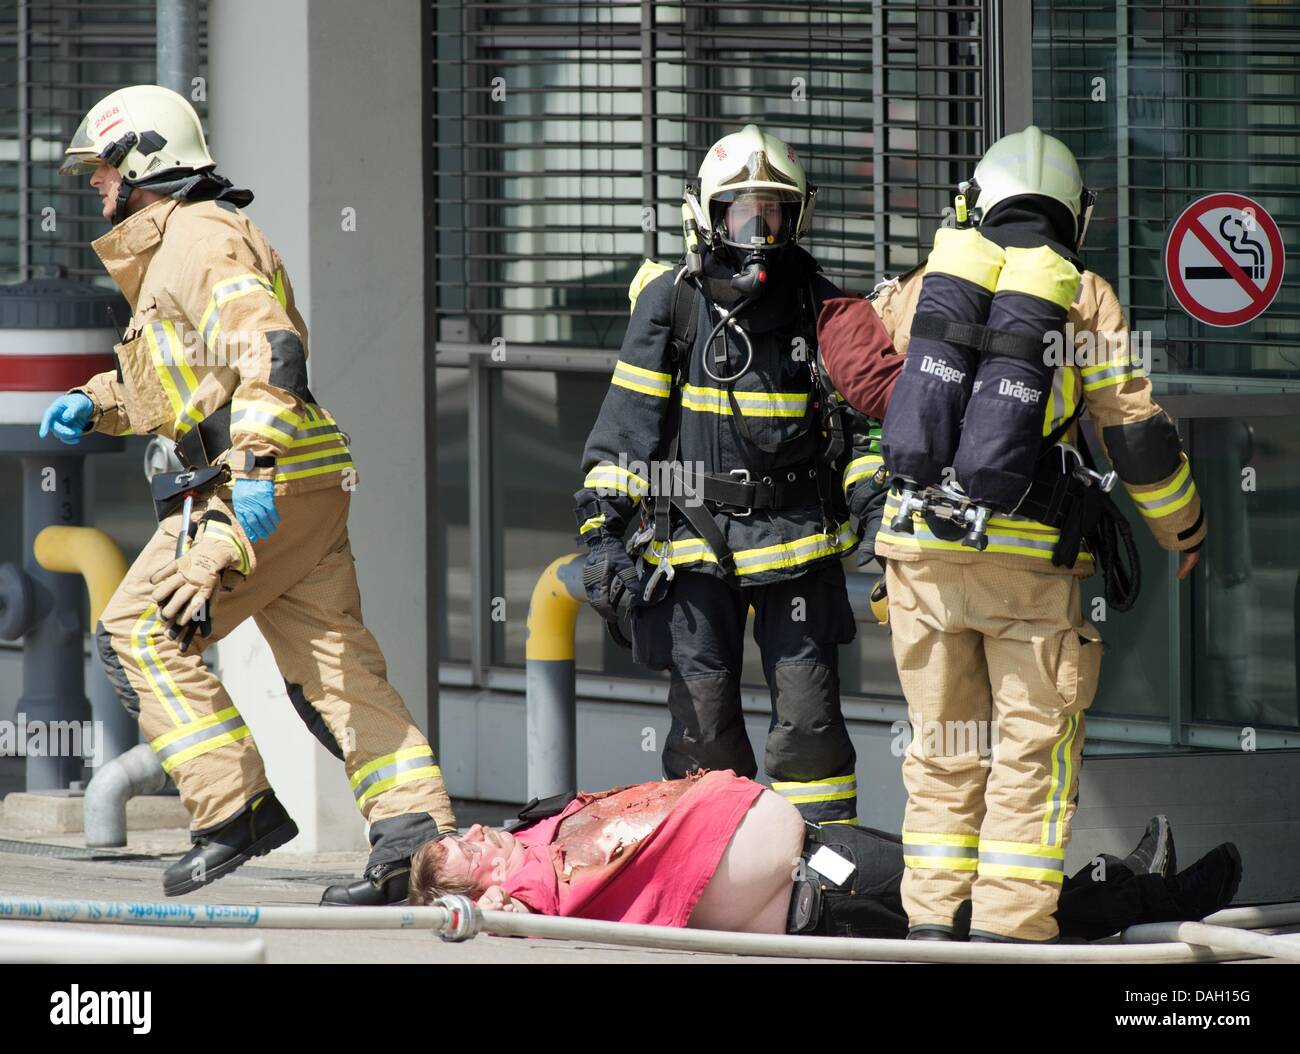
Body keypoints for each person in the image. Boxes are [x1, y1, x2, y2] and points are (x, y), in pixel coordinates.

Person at [44, 84, 455, 904]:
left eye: (101, 170)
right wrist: (101, 402)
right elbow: (185, 382)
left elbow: (267, 349)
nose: (94, 186)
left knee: (138, 633)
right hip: (304, 481)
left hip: (257, 483)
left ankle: (235, 809)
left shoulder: (196, 239)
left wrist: (254, 480)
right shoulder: (177, 247)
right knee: (333, 666)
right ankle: (417, 839)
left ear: (145, 160)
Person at [818, 126, 1207, 942]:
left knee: (943, 747)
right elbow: (1134, 433)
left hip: (920, 562)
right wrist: (1184, 530)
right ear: (1075, 214)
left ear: (977, 201)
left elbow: (870, 399)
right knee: (1032, 751)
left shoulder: (928, 285)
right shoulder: (1083, 295)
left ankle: (933, 924)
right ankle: (1006, 934)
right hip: (1026, 571)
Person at [574, 125, 882, 826]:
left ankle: (822, 881)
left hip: (798, 548)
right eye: (742, 210)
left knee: (809, 734)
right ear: (709, 214)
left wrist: (875, 507)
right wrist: (602, 539)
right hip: (693, 551)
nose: (759, 226)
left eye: (773, 210)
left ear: (796, 214)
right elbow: (625, 434)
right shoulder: (672, 302)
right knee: (702, 736)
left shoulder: (821, 305)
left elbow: (862, 427)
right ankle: (715, 870)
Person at [407, 772, 1242, 942]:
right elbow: (515, 923)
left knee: (981, 894)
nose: (475, 835)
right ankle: (1150, 898)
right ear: (465, 886)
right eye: (459, 851)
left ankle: (1136, 887)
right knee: (981, 910)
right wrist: (481, 914)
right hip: (816, 893)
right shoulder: (523, 892)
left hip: (818, 857)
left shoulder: (531, 833)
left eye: (463, 830)